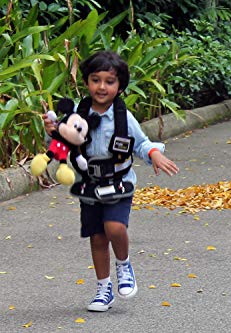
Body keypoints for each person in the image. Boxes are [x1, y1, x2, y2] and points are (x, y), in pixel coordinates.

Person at [42, 51, 179, 312]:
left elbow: (140, 143)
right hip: (89, 184)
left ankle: (124, 264)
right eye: (95, 80)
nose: (102, 87)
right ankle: (104, 288)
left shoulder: (122, 116)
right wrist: (52, 132)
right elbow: (60, 142)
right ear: (86, 82)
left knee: (114, 227)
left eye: (109, 81)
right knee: (97, 237)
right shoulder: (77, 114)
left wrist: (154, 154)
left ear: (120, 86)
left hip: (119, 182)